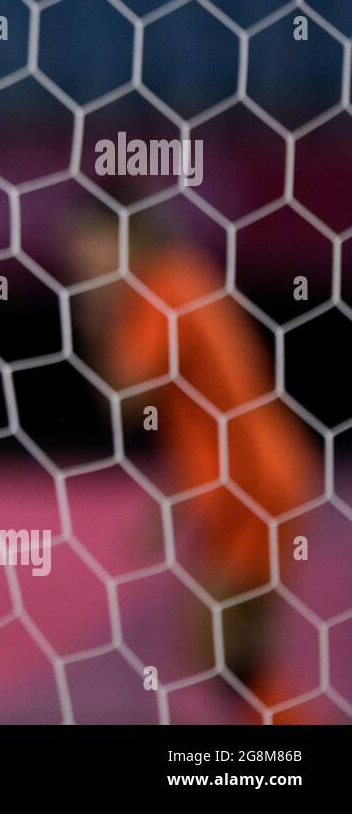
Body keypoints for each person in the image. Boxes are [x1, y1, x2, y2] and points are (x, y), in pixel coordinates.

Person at [71, 201, 318, 723]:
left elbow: (126, 400)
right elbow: (202, 411)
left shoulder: (164, 290)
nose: (78, 264)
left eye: (86, 250)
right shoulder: (182, 280)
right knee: (232, 659)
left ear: (124, 241)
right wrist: (178, 503)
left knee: (227, 651)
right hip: (252, 482)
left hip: (256, 488)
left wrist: (97, 310)